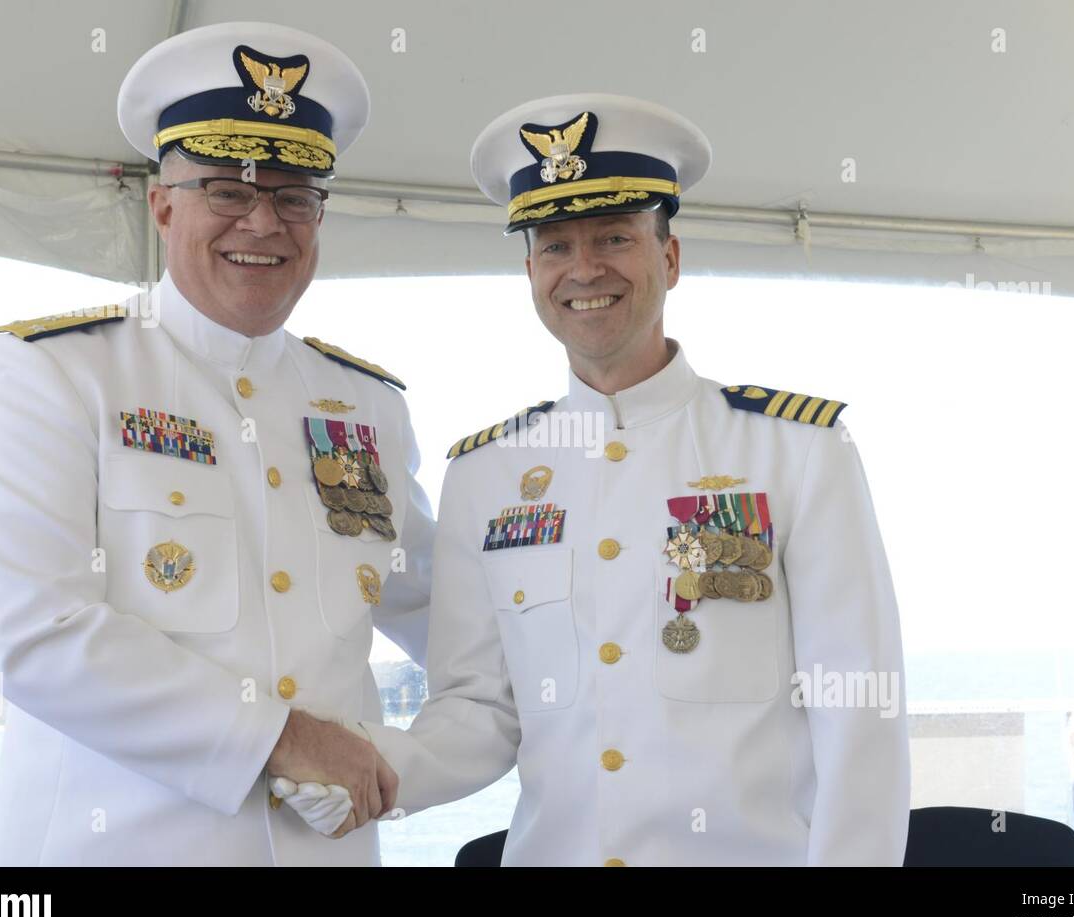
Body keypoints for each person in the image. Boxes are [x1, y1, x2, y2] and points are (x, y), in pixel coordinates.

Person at [357, 93, 910, 865]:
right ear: (529, 271)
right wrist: (366, 765)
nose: (585, 269)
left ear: (670, 257)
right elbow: (480, 707)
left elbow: (858, 713)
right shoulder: (486, 475)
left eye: (614, 236)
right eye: (555, 245)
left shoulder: (796, 451)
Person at [0, 22, 433, 865]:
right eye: (227, 189)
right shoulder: (53, 375)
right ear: (162, 202)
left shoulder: (366, 407)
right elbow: (36, 631)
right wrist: (278, 735)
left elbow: (449, 616)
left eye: (293, 195)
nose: (263, 221)